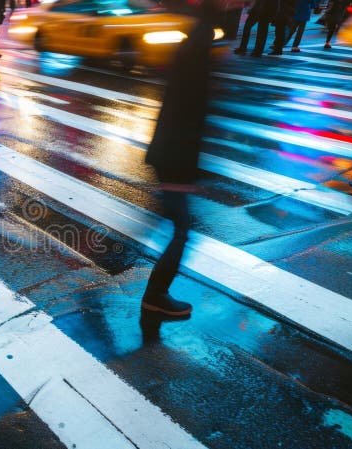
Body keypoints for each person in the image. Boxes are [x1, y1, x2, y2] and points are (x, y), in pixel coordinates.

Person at [142, 0, 219, 317]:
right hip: (175, 156)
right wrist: (188, 169)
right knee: (182, 228)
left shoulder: (196, 43)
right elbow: (187, 111)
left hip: (173, 154)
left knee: (176, 224)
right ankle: (156, 295)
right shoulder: (197, 46)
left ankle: (156, 293)